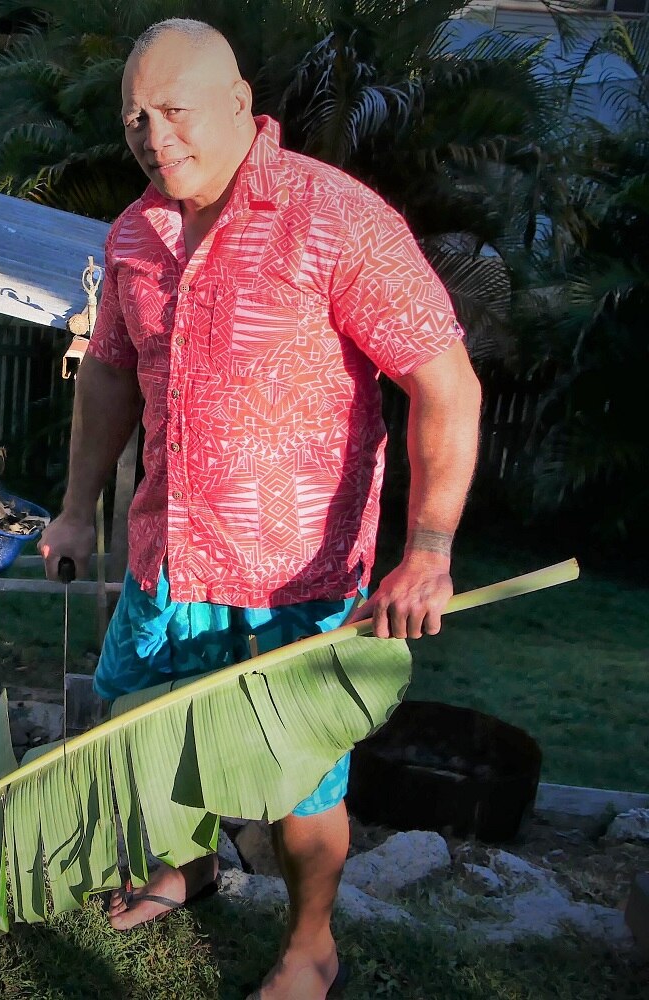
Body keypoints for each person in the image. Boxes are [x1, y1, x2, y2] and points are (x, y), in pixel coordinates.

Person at [38, 18, 482, 1000]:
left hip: (296, 580)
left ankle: (311, 946)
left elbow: (446, 384)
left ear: (240, 103)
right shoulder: (136, 232)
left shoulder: (335, 218)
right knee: (153, 734)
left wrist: (429, 549)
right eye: (135, 119)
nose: (154, 138)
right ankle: (189, 867)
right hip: (168, 560)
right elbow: (108, 372)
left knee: (300, 783)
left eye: (175, 111)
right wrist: (74, 510)